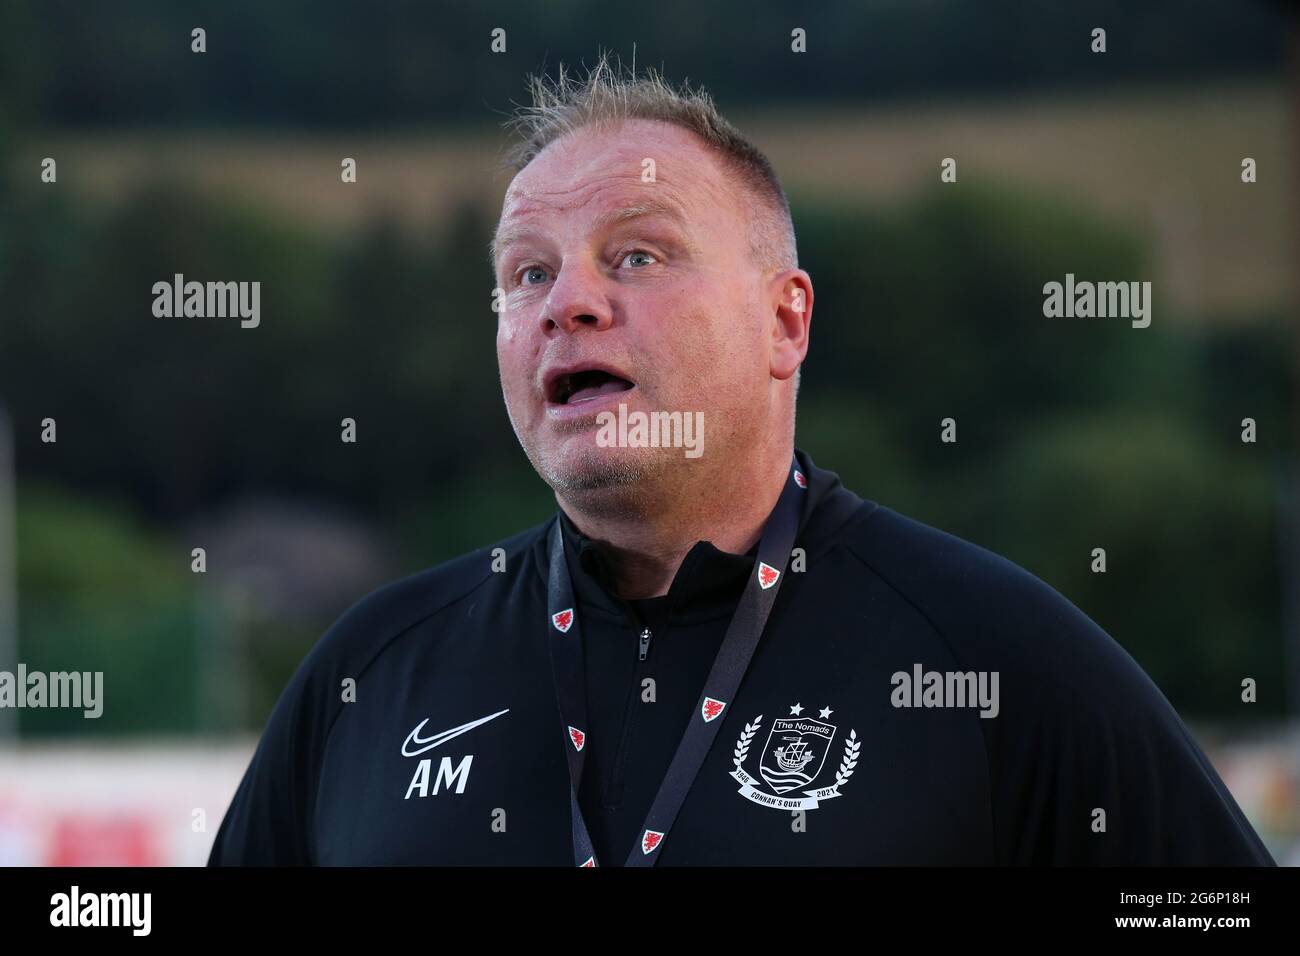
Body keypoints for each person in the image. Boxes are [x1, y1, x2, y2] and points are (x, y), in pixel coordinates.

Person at [208, 54, 1275, 866]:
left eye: (639, 253)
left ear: (785, 321)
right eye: (526, 273)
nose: (568, 302)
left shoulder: (995, 653)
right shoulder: (372, 672)